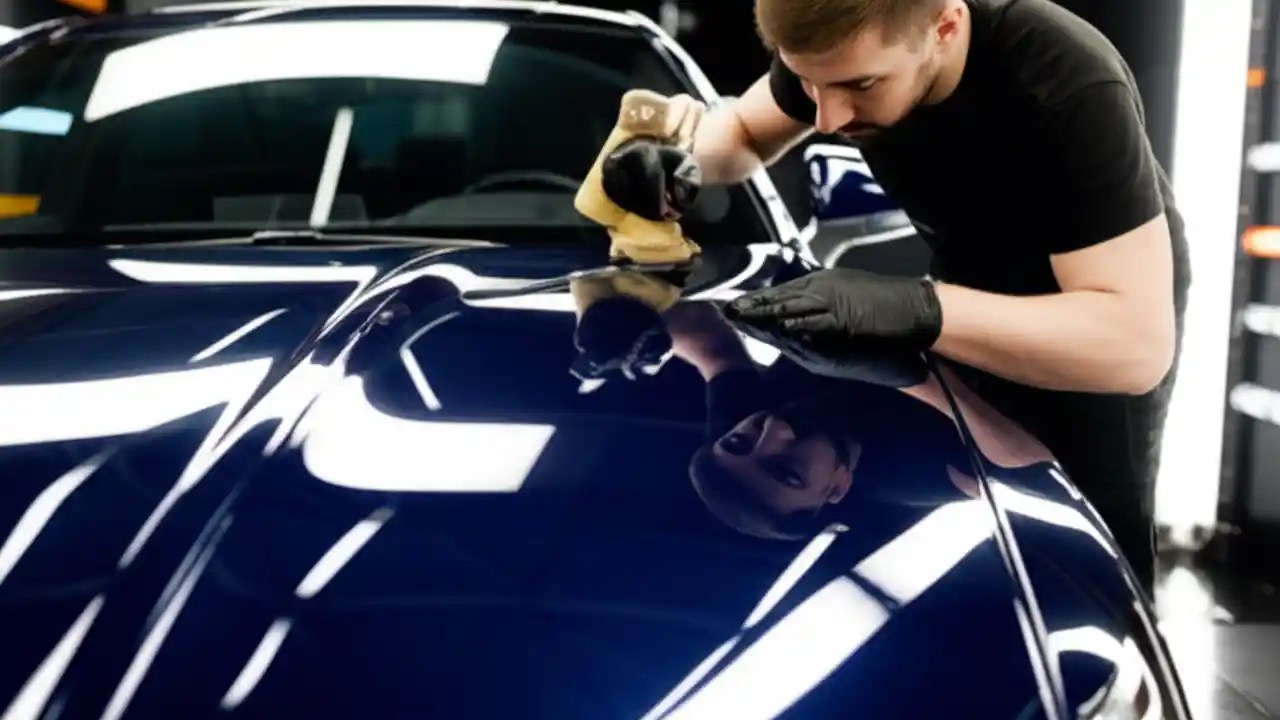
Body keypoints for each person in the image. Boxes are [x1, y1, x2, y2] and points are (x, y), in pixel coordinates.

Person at [598, 0, 1189, 594]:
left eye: (861, 85)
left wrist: (915, 313)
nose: (827, 118)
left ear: (945, 27)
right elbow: (746, 131)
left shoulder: (1062, 81)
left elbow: (1134, 347)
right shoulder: (838, 49)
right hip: (967, 285)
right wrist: (682, 167)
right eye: (807, 83)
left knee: (1083, 553)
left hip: (1094, 307)